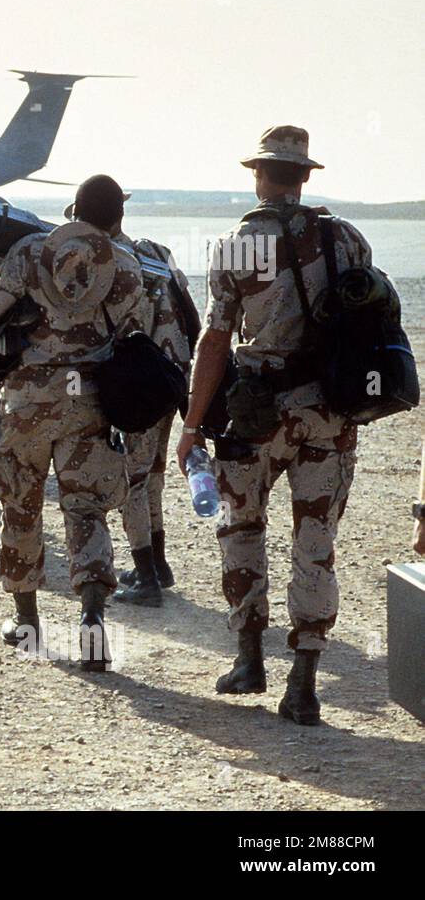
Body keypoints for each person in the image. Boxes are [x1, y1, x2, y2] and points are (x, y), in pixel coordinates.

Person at [176, 126, 368, 725]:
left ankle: (248, 659)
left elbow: (214, 339)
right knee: (316, 544)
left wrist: (193, 422)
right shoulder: (347, 239)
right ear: (305, 176)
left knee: (241, 529)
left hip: (253, 413)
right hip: (328, 412)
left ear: (258, 174)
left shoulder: (236, 245)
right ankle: (303, 683)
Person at [0, 174, 149, 670]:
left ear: (72, 209)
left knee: (21, 502)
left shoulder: (30, 251)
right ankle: (92, 619)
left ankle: (26, 620)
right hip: (88, 400)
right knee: (86, 507)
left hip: (27, 398)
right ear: (118, 219)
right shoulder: (127, 267)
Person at [106, 210, 196, 607]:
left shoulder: (109, 262)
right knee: (152, 475)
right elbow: (190, 309)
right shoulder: (154, 251)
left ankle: (146, 578)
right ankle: (158, 564)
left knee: (134, 482)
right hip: (174, 376)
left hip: (141, 384)